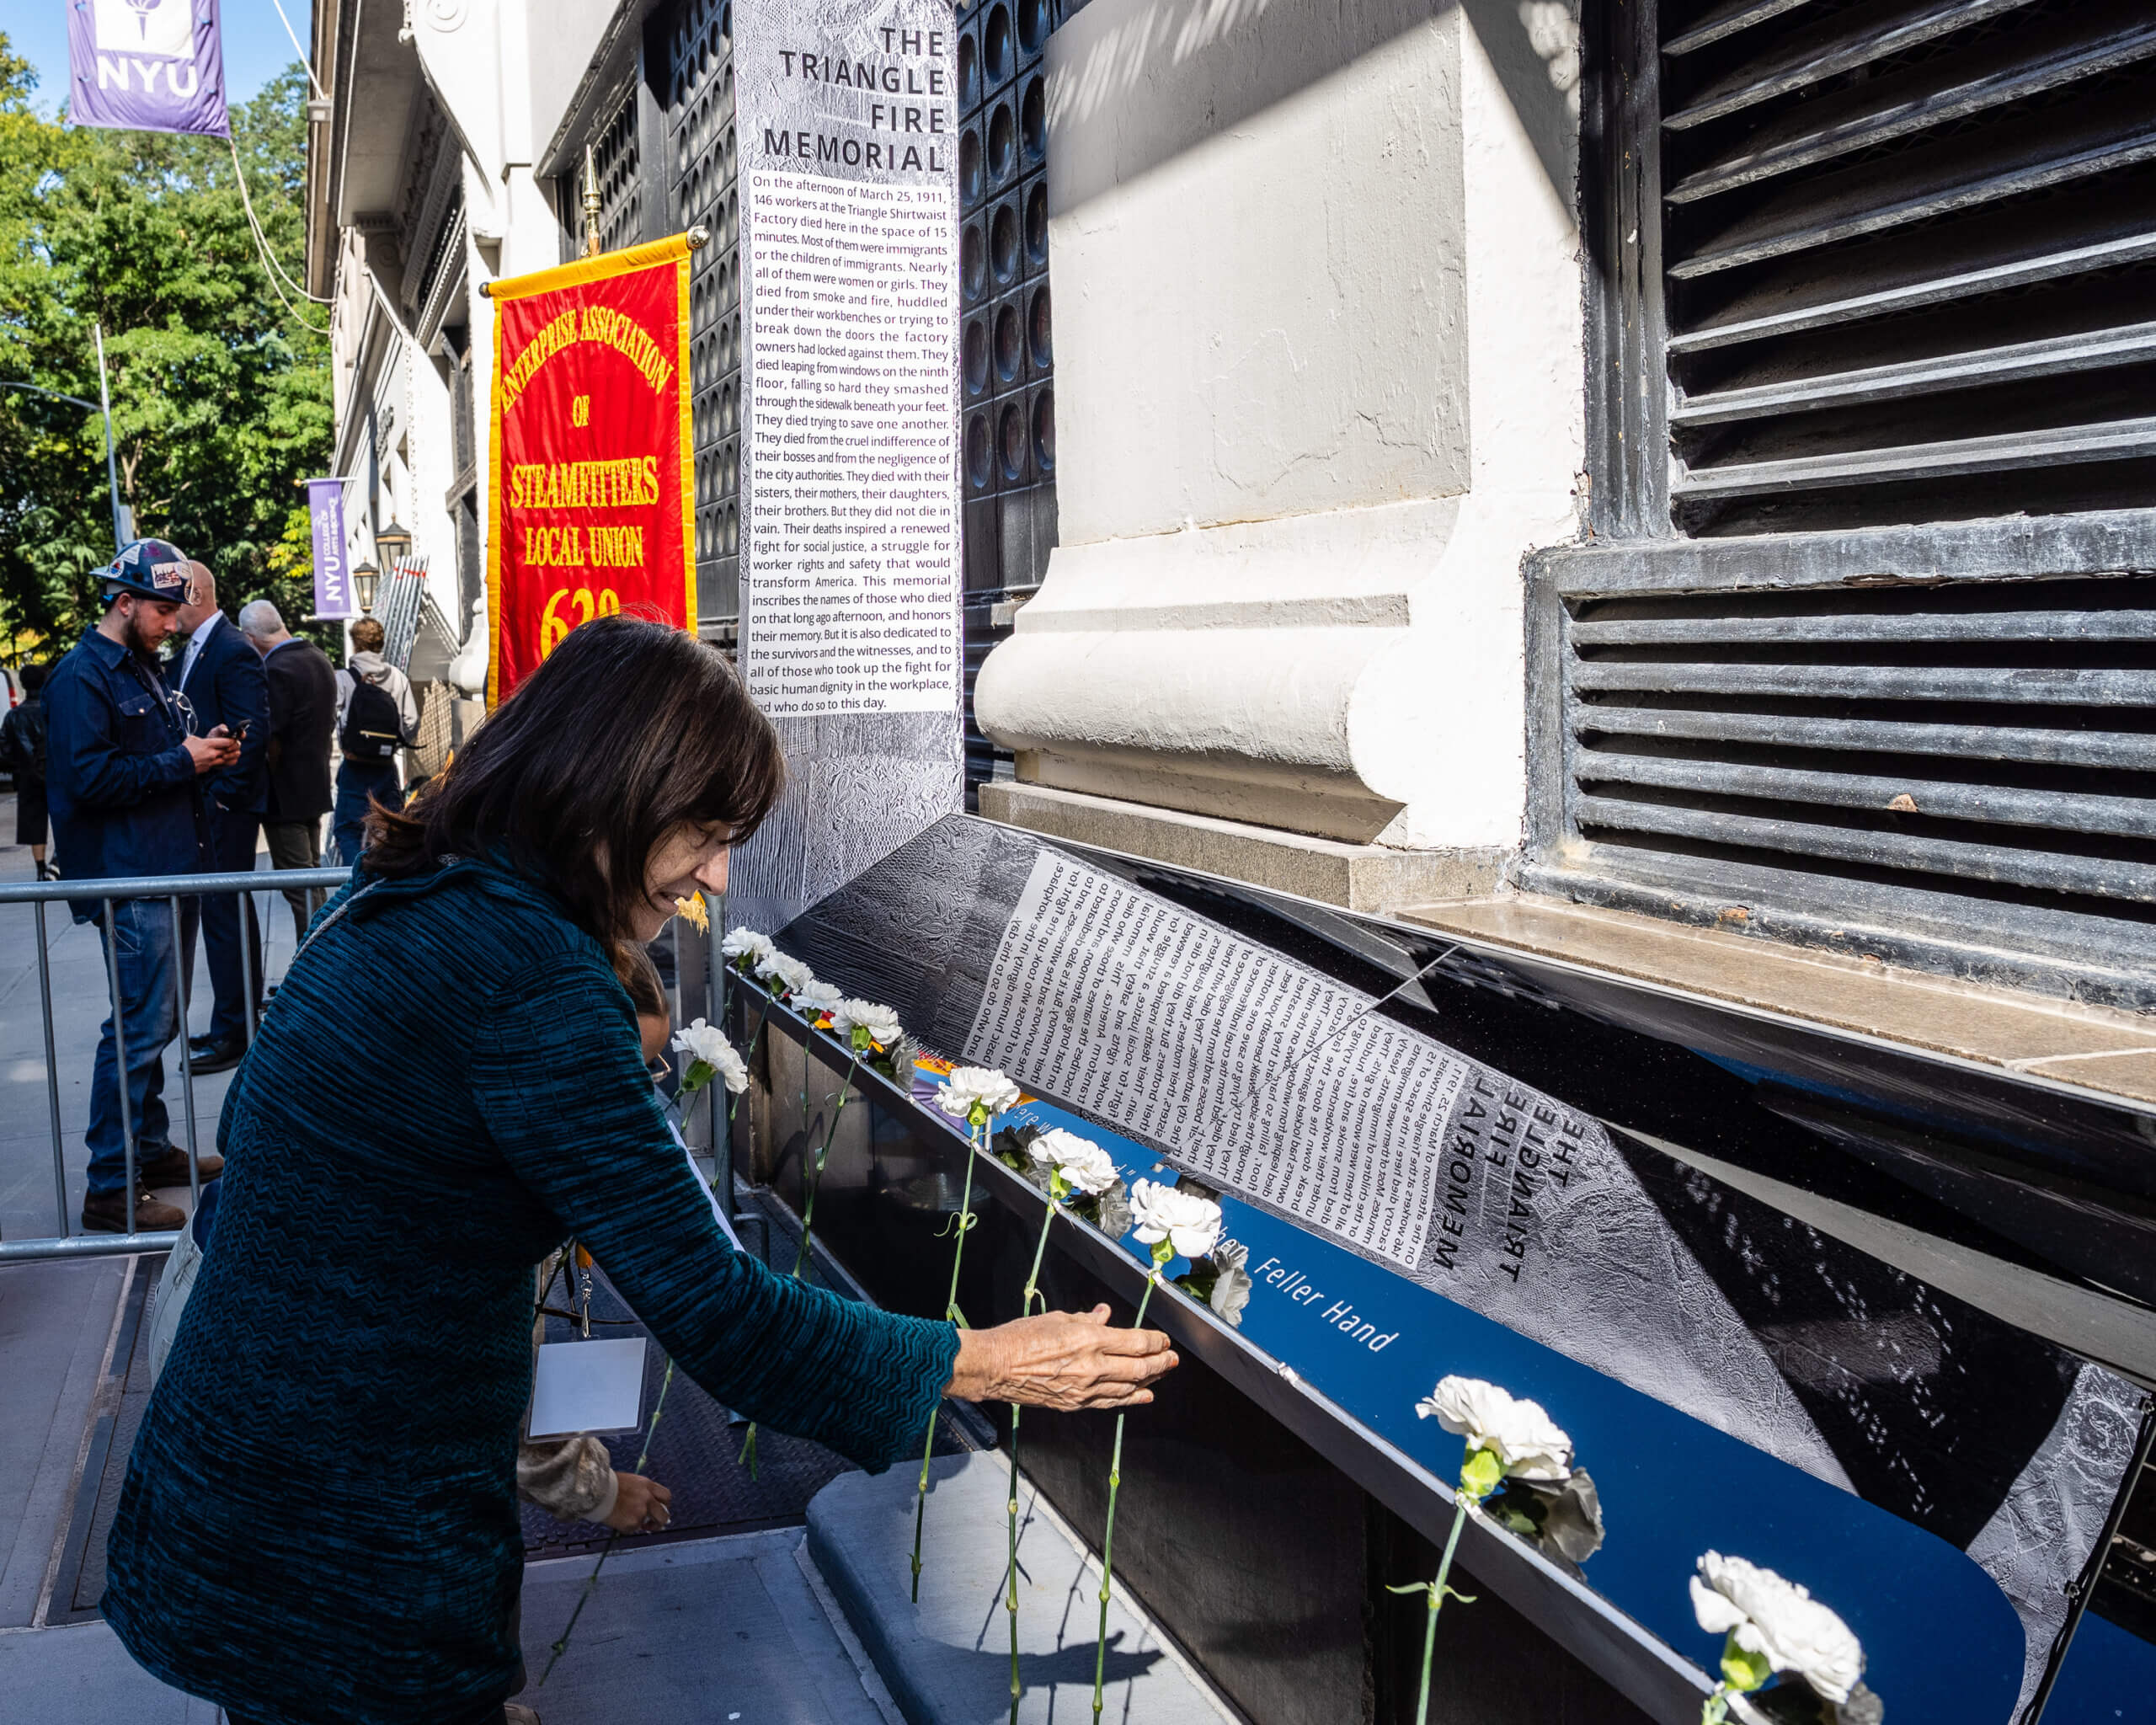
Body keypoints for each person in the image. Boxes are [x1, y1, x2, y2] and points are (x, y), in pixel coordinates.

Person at [104, 616, 1176, 1725]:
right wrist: (982, 1361)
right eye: (703, 833)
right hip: (341, 1556)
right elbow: (724, 1315)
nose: (714, 876)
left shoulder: (412, 894)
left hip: (240, 1495)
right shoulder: (531, 980)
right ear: (612, 792)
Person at [45, 540, 237, 1234]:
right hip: (131, 880)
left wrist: (200, 756)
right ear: (123, 603)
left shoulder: (138, 668)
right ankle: (110, 1185)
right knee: (138, 1028)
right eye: (162, 610)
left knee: (154, 1021)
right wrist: (180, 761)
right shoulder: (81, 678)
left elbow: (148, 764)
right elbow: (90, 781)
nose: (173, 623)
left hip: (160, 871)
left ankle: (148, 1151)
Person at [174, 564, 270, 1076]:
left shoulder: (231, 648)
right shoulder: (195, 648)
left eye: (173, 598)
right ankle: (233, 1022)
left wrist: (222, 800)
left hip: (225, 807)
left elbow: (251, 730)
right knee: (223, 916)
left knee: (224, 914)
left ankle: (235, 1030)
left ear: (197, 595)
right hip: (209, 804)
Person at [237, 600, 339, 943]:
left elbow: (269, 736)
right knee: (310, 884)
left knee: (301, 890)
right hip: (313, 789)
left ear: (250, 638)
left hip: (286, 797)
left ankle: (315, 974)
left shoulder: (277, 668)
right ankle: (319, 968)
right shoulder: (317, 658)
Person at [331, 615, 417, 864]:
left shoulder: (344, 679)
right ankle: (391, 881)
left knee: (348, 829)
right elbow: (410, 721)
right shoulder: (397, 677)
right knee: (393, 826)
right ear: (382, 644)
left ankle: (351, 884)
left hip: (355, 764)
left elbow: (330, 714)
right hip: (386, 764)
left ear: (355, 644)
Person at [3, 661, 54, 878]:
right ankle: (59, 863)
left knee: (34, 823)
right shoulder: (51, 711)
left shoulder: (13, 716)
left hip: (26, 777)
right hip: (54, 774)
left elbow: (4, 749)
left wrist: (17, 764)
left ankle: (41, 868)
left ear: (23, 684)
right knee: (63, 817)